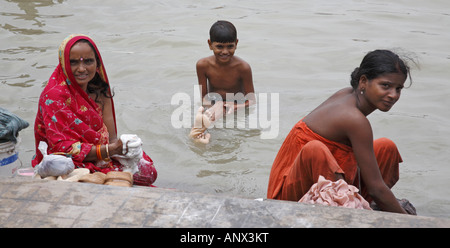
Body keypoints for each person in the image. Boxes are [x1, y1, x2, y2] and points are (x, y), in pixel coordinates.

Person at [267, 50, 414, 214]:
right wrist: (411, 223)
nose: (393, 95)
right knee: (316, 150)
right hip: (288, 197)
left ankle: (360, 205)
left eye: (398, 88)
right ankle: (350, 209)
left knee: (386, 147)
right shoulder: (355, 119)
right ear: (363, 81)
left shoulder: (348, 93)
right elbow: (376, 188)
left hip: (329, 180)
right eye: (385, 86)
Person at [32, 34, 156, 186]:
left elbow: (111, 138)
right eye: (73, 62)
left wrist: (126, 147)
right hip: (66, 161)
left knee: (148, 171)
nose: (81, 69)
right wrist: (110, 150)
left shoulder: (100, 90)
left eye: (88, 61)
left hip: (102, 155)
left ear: (97, 63)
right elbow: (61, 149)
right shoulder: (54, 96)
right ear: (63, 64)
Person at [191, 20, 255, 143]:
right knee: (200, 132)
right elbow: (204, 97)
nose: (225, 51)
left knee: (235, 139)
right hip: (215, 104)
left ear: (236, 44)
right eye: (219, 46)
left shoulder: (243, 67)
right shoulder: (202, 65)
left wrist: (235, 107)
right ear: (210, 44)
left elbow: (252, 100)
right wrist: (213, 108)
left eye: (230, 46)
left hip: (237, 104)